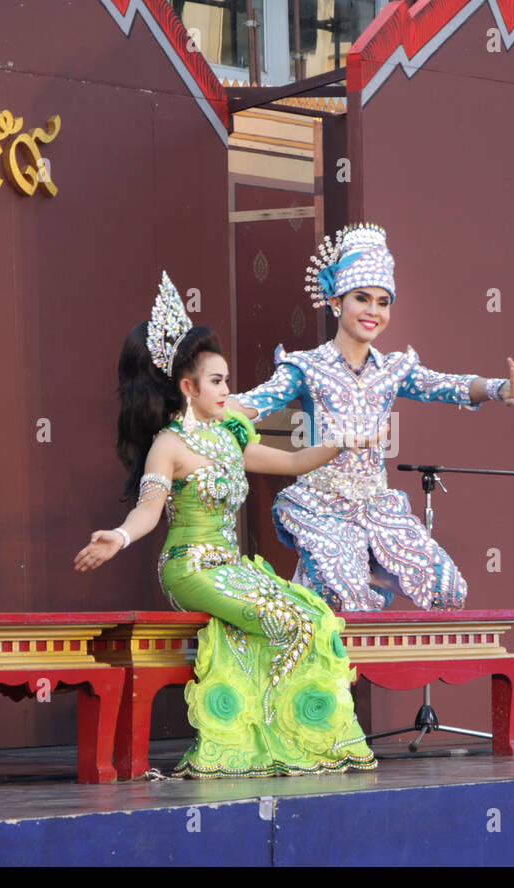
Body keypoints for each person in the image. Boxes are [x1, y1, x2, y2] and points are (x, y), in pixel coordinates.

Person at [74, 272, 379, 778]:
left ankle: (281, 742)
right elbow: (148, 512)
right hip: (191, 569)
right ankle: (260, 741)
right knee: (288, 622)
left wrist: (342, 441)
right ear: (187, 387)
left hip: (234, 569)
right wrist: (120, 536)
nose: (227, 390)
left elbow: (294, 463)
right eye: (217, 381)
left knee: (315, 617)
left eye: (227, 380)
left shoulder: (228, 437)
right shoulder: (169, 446)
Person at [227, 223, 514, 611]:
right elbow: (253, 403)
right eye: (362, 298)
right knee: (342, 595)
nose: (373, 311)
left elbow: (444, 385)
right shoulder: (305, 367)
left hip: (377, 508)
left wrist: (498, 388)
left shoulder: (393, 369)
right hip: (322, 505)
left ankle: (357, 572)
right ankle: (334, 581)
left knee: (448, 590)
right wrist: (200, 404)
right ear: (336, 302)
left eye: (382, 302)